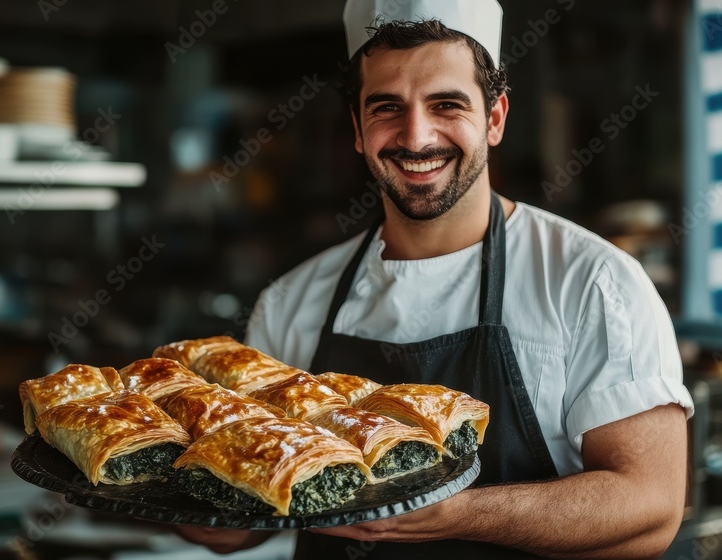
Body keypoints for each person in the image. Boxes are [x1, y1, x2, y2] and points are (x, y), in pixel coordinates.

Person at [176, 0, 694, 558]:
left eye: (446, 104)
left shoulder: (592, 282)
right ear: (356, 128)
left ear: (494, 118)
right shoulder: (291, 301)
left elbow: (650, 507)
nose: (416, 136)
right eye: (386, 108)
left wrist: (456, 514)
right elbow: (241, 522)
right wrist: (168, 487)